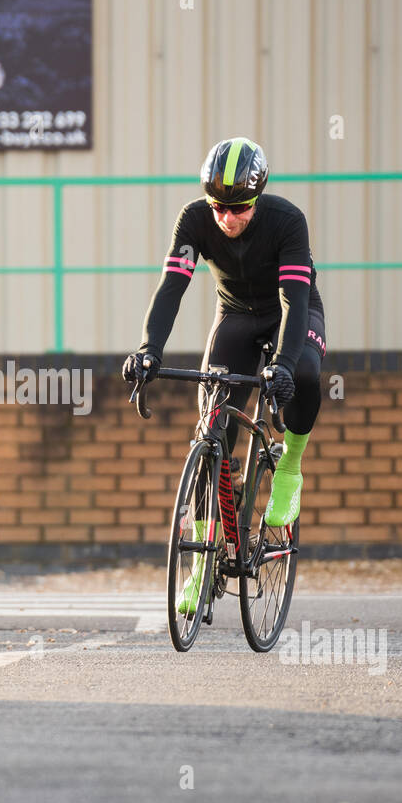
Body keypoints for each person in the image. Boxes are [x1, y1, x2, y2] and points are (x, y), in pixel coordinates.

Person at [121, 138, 327, 614]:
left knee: (308, 373)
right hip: (235, 315)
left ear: (257, 199)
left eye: (239, 209)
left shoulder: (287, 221)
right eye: (218, 207)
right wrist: (149, 350)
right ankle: (202, 565)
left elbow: (294, 301)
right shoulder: (194, 220)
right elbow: (172, 287)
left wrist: (284, 364)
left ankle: (290, 468)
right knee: (212, 429)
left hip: (287, 315)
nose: (227, 219)